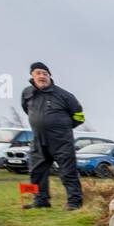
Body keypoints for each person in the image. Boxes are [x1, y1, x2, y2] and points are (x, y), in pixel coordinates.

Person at [20, 62, 85, 210]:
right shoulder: (27, 94)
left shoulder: (65, 95)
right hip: (38, 140)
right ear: (32, 76)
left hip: (61, 140)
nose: (42, 76)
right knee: (37, 172)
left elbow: (80, 117)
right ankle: (40, 201)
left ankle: (74, 202)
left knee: (67, 172)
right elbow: (27, 110)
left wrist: (64, 127)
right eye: (38, 73)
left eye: (45, 73)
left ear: (50, 76)